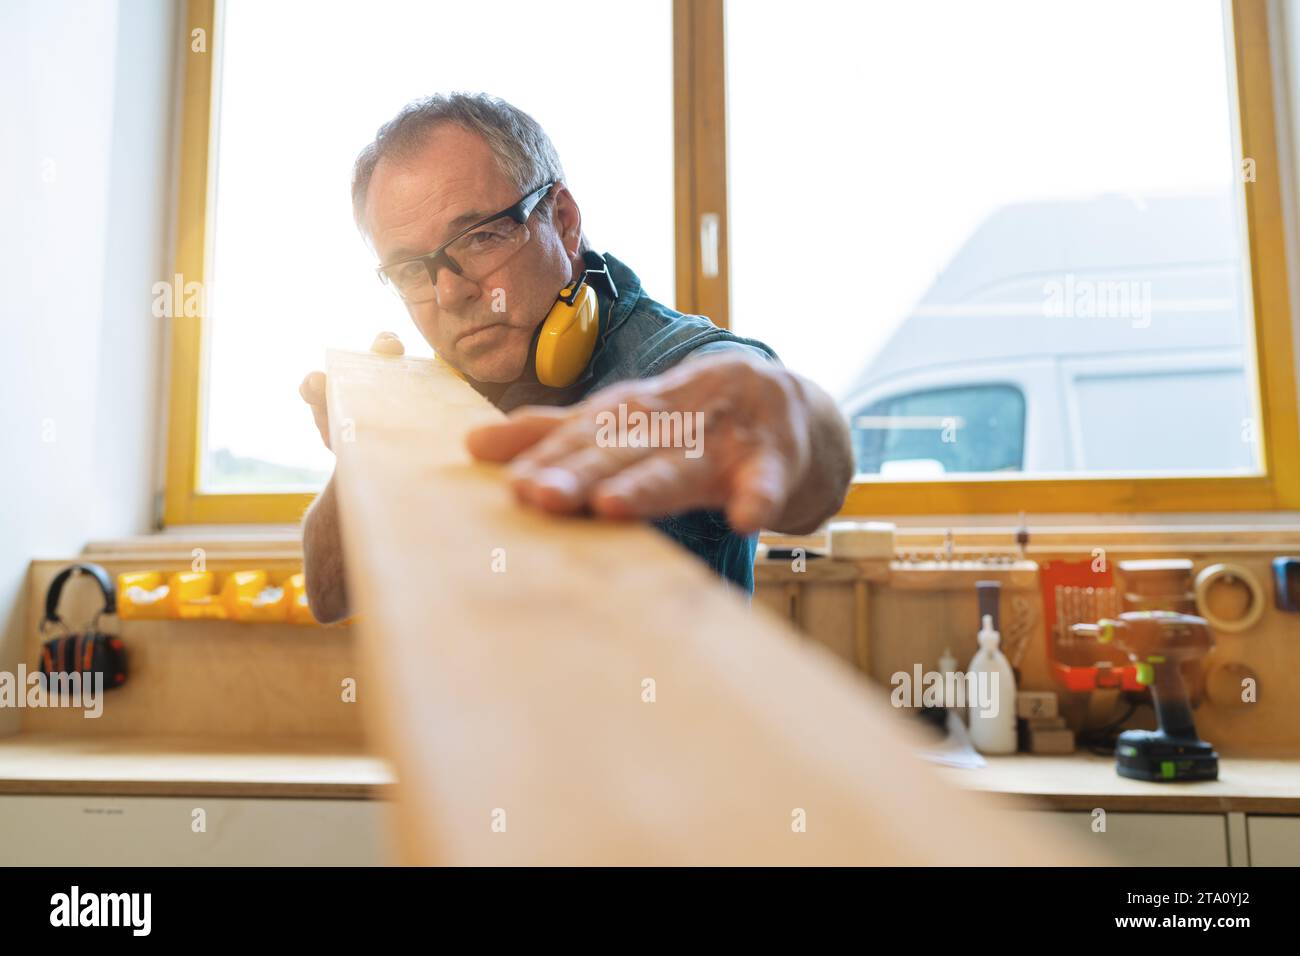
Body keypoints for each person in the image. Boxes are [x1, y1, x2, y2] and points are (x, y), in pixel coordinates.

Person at [300, 94, 852, 623]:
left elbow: (795, 444)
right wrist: (362, 454)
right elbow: (332, 598)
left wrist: (795, 416)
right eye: (409, 270)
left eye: (479, 238)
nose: (449, 294)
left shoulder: (677, 365)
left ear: (562, 220)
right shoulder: (440, 395)